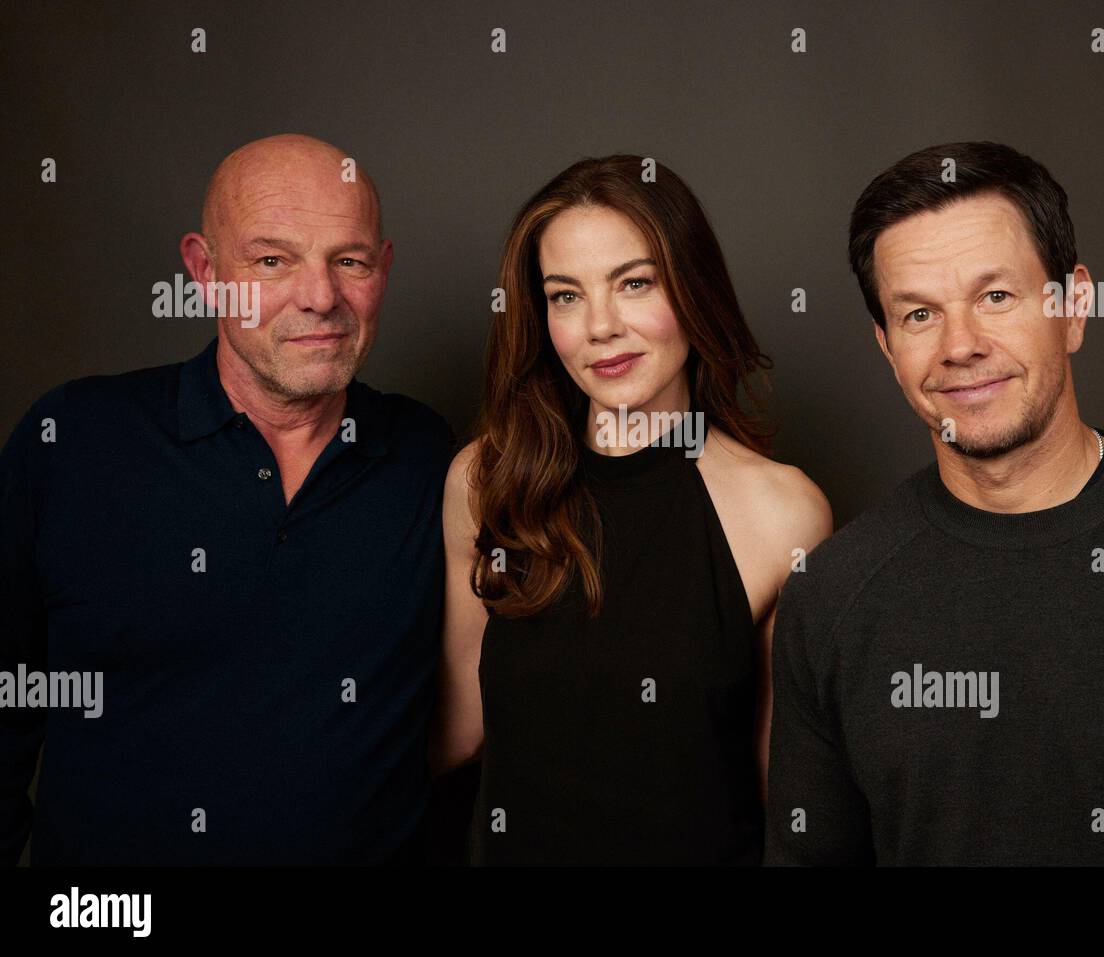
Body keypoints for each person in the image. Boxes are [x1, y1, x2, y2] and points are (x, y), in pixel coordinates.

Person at [765, 141, 1104, 866]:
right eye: (920, 314)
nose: (962, 345)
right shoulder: (829, 597)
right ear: (887, 348)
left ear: (1075, 305)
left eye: (996, 296)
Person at [0, 133, 453, 864]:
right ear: (205, 272)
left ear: (384, 269)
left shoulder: (433, 461)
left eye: (350, 261)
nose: (320, 296)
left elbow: (470, 720)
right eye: (273, 260)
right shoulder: (73, 442)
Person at [431, 154, 832, 865]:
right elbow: (459, 727)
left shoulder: (784, 512)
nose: (600, 327)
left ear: (693, 286)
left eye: (634, 283)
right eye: (565, 296)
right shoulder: (485, 480)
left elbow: (788, 796)